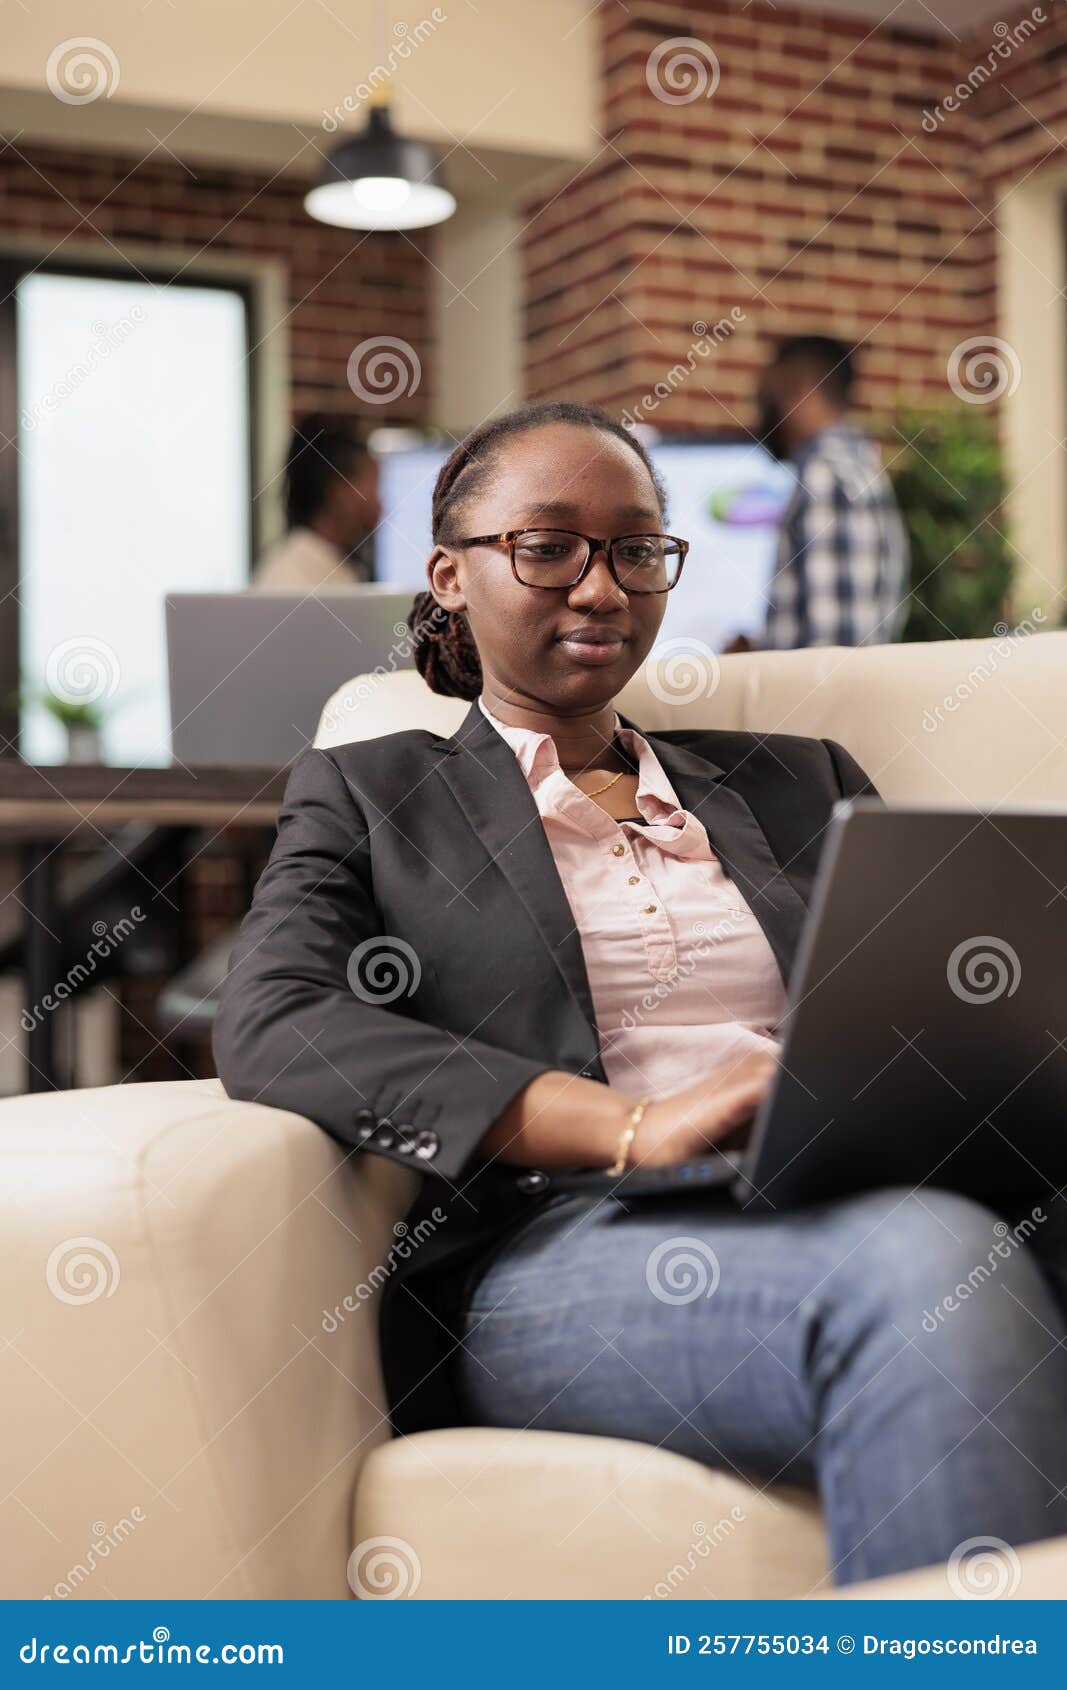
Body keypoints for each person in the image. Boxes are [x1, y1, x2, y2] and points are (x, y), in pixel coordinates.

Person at [213, 399, 1067, 1588]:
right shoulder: (372, 793)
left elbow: (931, 998)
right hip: (571, 1243)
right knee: (919, 1269)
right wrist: (624, 1121)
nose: (602, 588)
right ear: (449, 574)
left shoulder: (794, 779)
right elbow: (276, 1019)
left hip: (844, 1179)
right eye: (548, 546)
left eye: (634, 548)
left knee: (951, 1236)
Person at [729, 334, 909, 651]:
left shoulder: (825, 475)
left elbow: (831, 651)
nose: (761, 410)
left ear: (797, 387)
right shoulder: (854, 468)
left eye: (767, 392)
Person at [250, 413, 381, 590]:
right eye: (375, 486)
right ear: (338, 489)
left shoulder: (329, 566)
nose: (380, 503)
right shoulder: (295, 578)